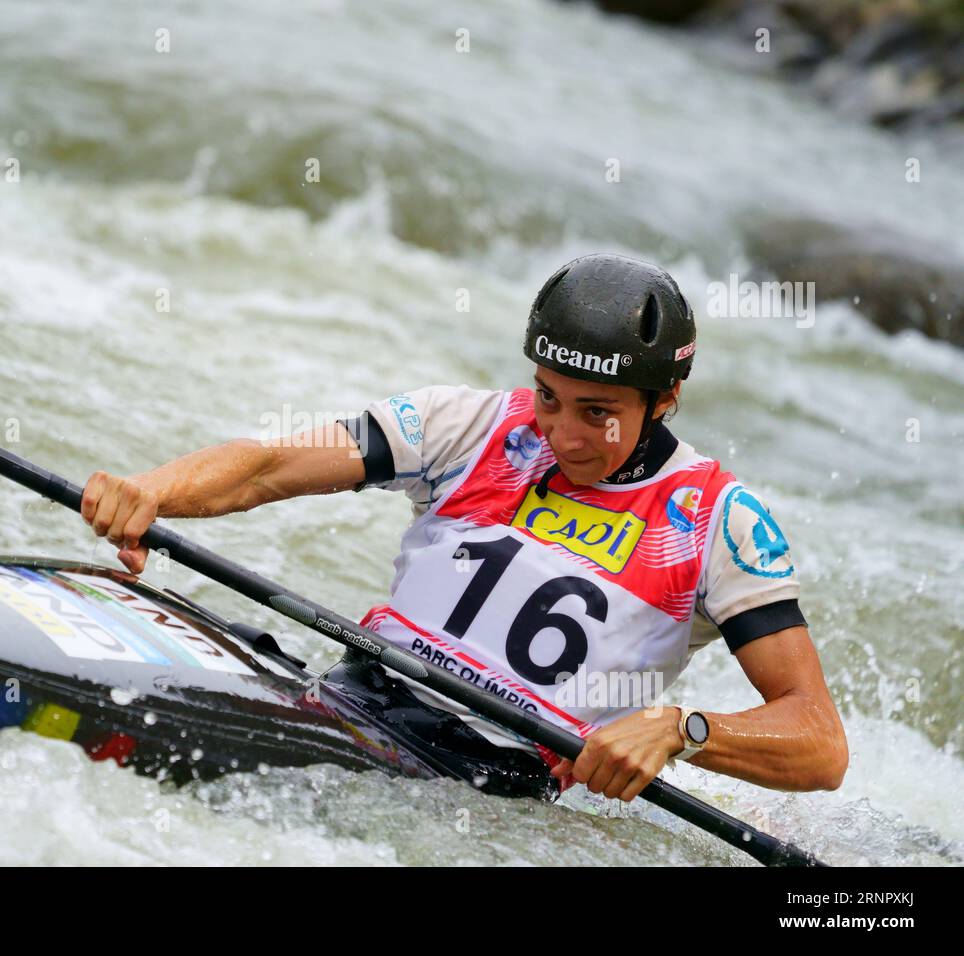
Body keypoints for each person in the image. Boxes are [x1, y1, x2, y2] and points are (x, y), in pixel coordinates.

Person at [79, 254, 848, 803]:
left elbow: (819, 741)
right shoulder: (471, 425)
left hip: (484, 787)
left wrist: (687, 728)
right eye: (549, 397)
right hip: (351, 700)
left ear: (666, 397)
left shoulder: (718, 522)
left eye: (598, 414)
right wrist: (154, 491)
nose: (563, 435)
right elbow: (270, 465)